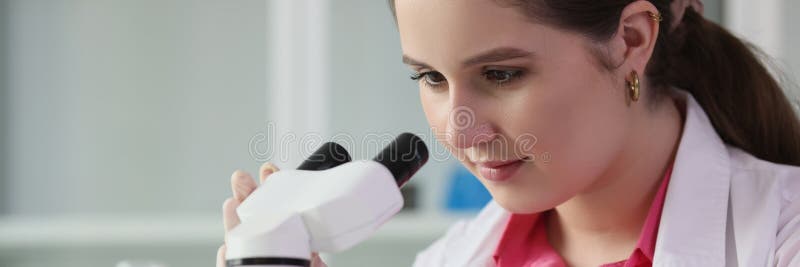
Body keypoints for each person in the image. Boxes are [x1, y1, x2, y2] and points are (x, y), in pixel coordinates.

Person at [217, 0, 800, 266]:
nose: (459, 130)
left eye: (500, 74)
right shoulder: (449, 260)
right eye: (430, 78)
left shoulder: (782, 239)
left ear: (631, 40)